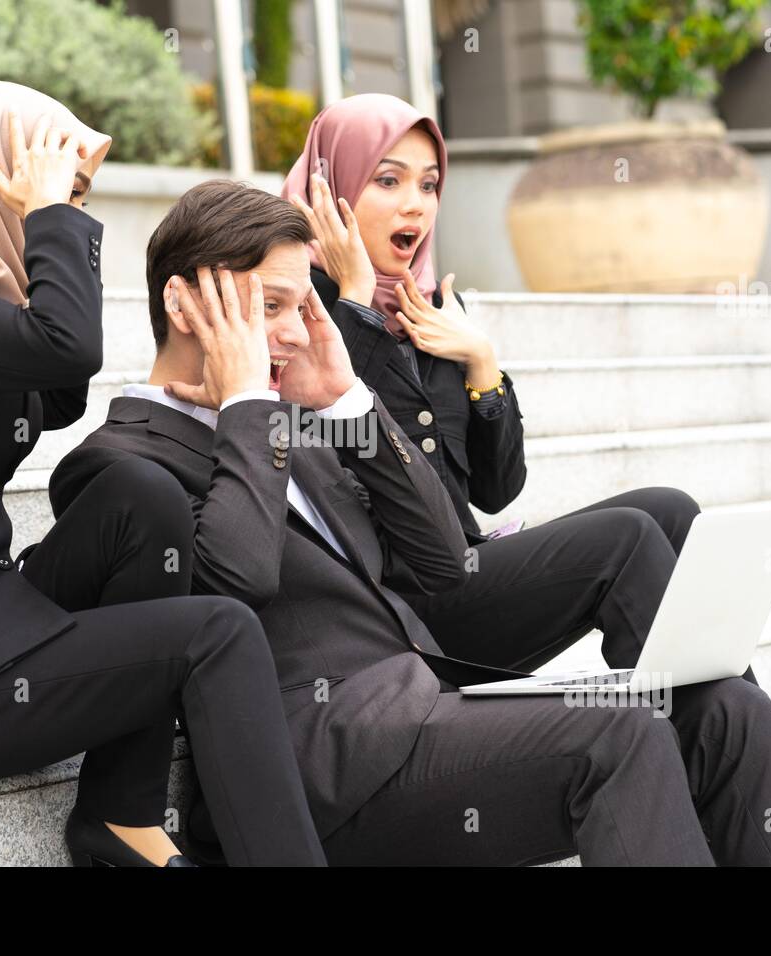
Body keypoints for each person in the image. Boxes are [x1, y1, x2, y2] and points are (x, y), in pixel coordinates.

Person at [48, 179, 771, 866]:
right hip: (328, 770)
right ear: (184, 303)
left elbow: (442, 560)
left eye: (304, 306)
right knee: (618, 735)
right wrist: (247, 406)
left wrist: (348, 403)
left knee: (726, 711)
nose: (296, 331)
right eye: (272, 307)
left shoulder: (294, 425)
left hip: (429, 706)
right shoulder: (120, 464)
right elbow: (242, 575)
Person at [0, 81, 325, 867]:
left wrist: (218, 379)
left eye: (77, 195)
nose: (67, 207)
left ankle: (119, 818)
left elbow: (62, 391)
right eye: (57, 190)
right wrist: (49, 220)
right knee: (217, 632)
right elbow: (69, 349)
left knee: (141, 497)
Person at [282, 93, 739, 682]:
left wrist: (482, 365)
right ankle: (710, 744)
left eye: (429, 185)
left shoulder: (433, 308)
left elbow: (498, 489)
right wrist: (354, 298)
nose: (415, 206)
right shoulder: (298, 312)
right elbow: (334, 443)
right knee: (626, 540)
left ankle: (721, 732)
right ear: (328, 189)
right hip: (394, 610)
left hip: (469, 574)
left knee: (672, 511)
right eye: (388, 181)